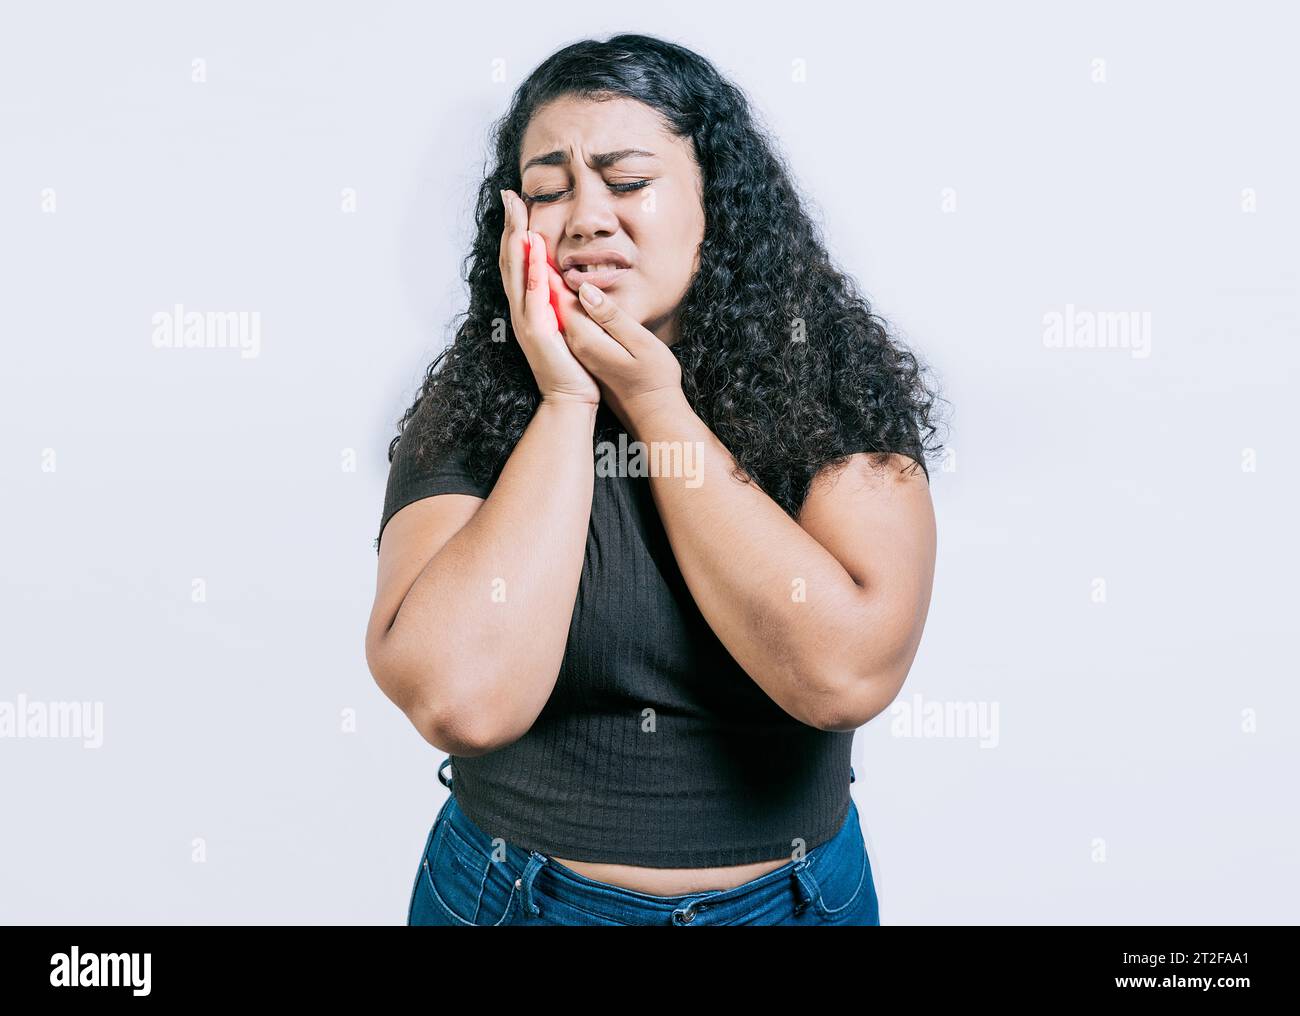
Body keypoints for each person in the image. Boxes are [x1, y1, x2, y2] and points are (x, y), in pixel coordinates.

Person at [366, 33, 943, 926]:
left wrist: (655, 405)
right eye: (549, 190)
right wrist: (566, 399)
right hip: (513, 899)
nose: (586, 216)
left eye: (626, 182)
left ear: (718, 200)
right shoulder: (473, 403)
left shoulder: (831, 384)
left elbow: (842, 675)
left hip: (793, 903)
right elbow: (460, 701)